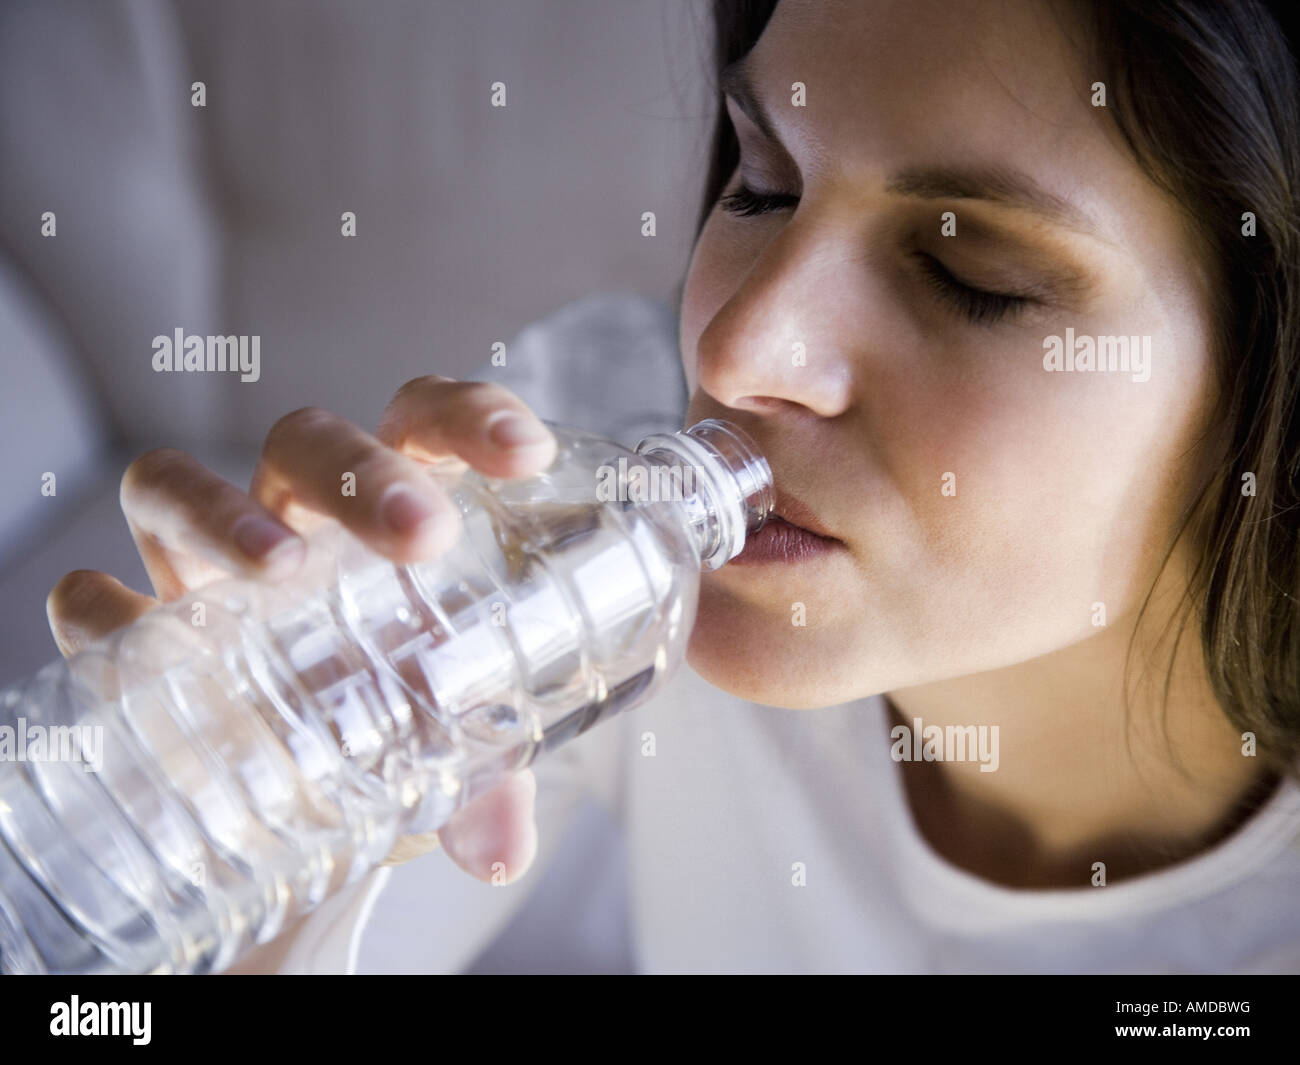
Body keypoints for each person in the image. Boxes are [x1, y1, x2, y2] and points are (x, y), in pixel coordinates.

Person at [45, 0, 1300, 973]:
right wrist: (264, 859)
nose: (737, 349)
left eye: (967, 272)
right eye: (763, 182)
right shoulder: (581, 455)